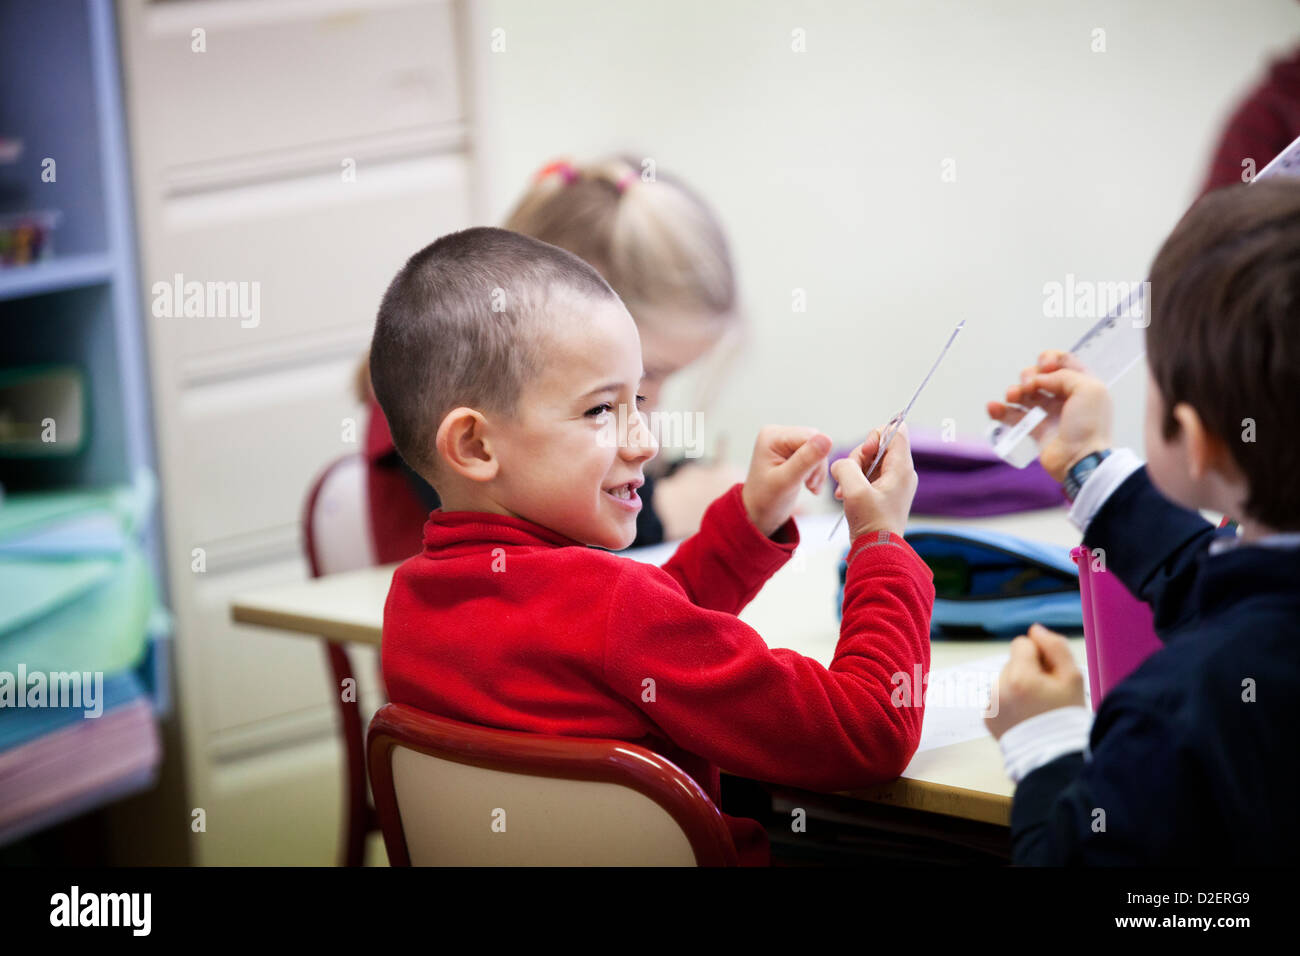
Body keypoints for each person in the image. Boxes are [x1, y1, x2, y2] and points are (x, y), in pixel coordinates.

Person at [370, 226, 935, 865]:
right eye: (599, 412)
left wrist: (750, 516)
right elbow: (869, 732)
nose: (644, 442)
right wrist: (881, 545)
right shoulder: (614, 611)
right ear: (474, 446)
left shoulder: (412, 605)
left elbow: (626, 646)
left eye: (636, 399)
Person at [983, 180, 1300, 864]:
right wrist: (1087, 466)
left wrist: (1049, 747)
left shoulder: (1174, 716)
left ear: (1192, 436)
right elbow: (1242, 600)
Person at [360, 156, 745, 563]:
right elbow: (551, 525)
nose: (649, 431)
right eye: (650, 373)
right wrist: (664, 511)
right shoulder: (435, 407)